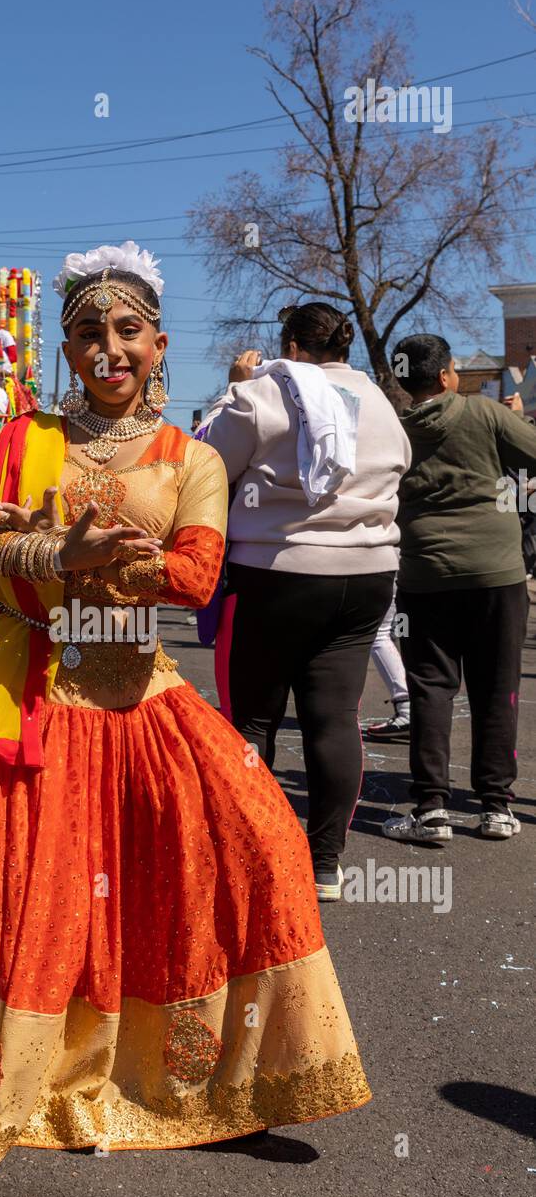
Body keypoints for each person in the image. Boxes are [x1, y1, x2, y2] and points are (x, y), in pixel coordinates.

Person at [0, 242, 371, 1176]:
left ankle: (215, 1080)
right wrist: (48, 557)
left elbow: (196, 578)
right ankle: (10, 1083)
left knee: (260, 847)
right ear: (65, 348)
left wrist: (97, 556)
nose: (107, 349)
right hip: (29, 689)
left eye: (126, 332)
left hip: (138, 691)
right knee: (31, 894)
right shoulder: (19, 437)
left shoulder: (190, 457)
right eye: (86, 333)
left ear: (159, 343)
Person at [199, 303, 411, 901]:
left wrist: (234, 390)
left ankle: (253, 858)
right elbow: (402, 465)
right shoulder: (379, 402)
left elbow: (208, 463)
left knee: (254, 718)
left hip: (276, 571)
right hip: (368, 572)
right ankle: (325, 863)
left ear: (289, 345)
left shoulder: (265, 392)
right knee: (334, 717)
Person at [383, 335, 536, 844]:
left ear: (404, 382)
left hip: (425, 573)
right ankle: (495, 805)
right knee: (497, 686)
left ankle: (431, 808)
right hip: (497, 571)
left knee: (430, 687)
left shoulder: (394, 431)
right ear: (447, 374)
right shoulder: (485, 414)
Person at [363, 598, 410, 741]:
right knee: (401, 631)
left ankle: (407, 709)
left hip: (391, 580)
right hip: (407, 583)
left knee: (379, 635)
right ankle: (413, 708)